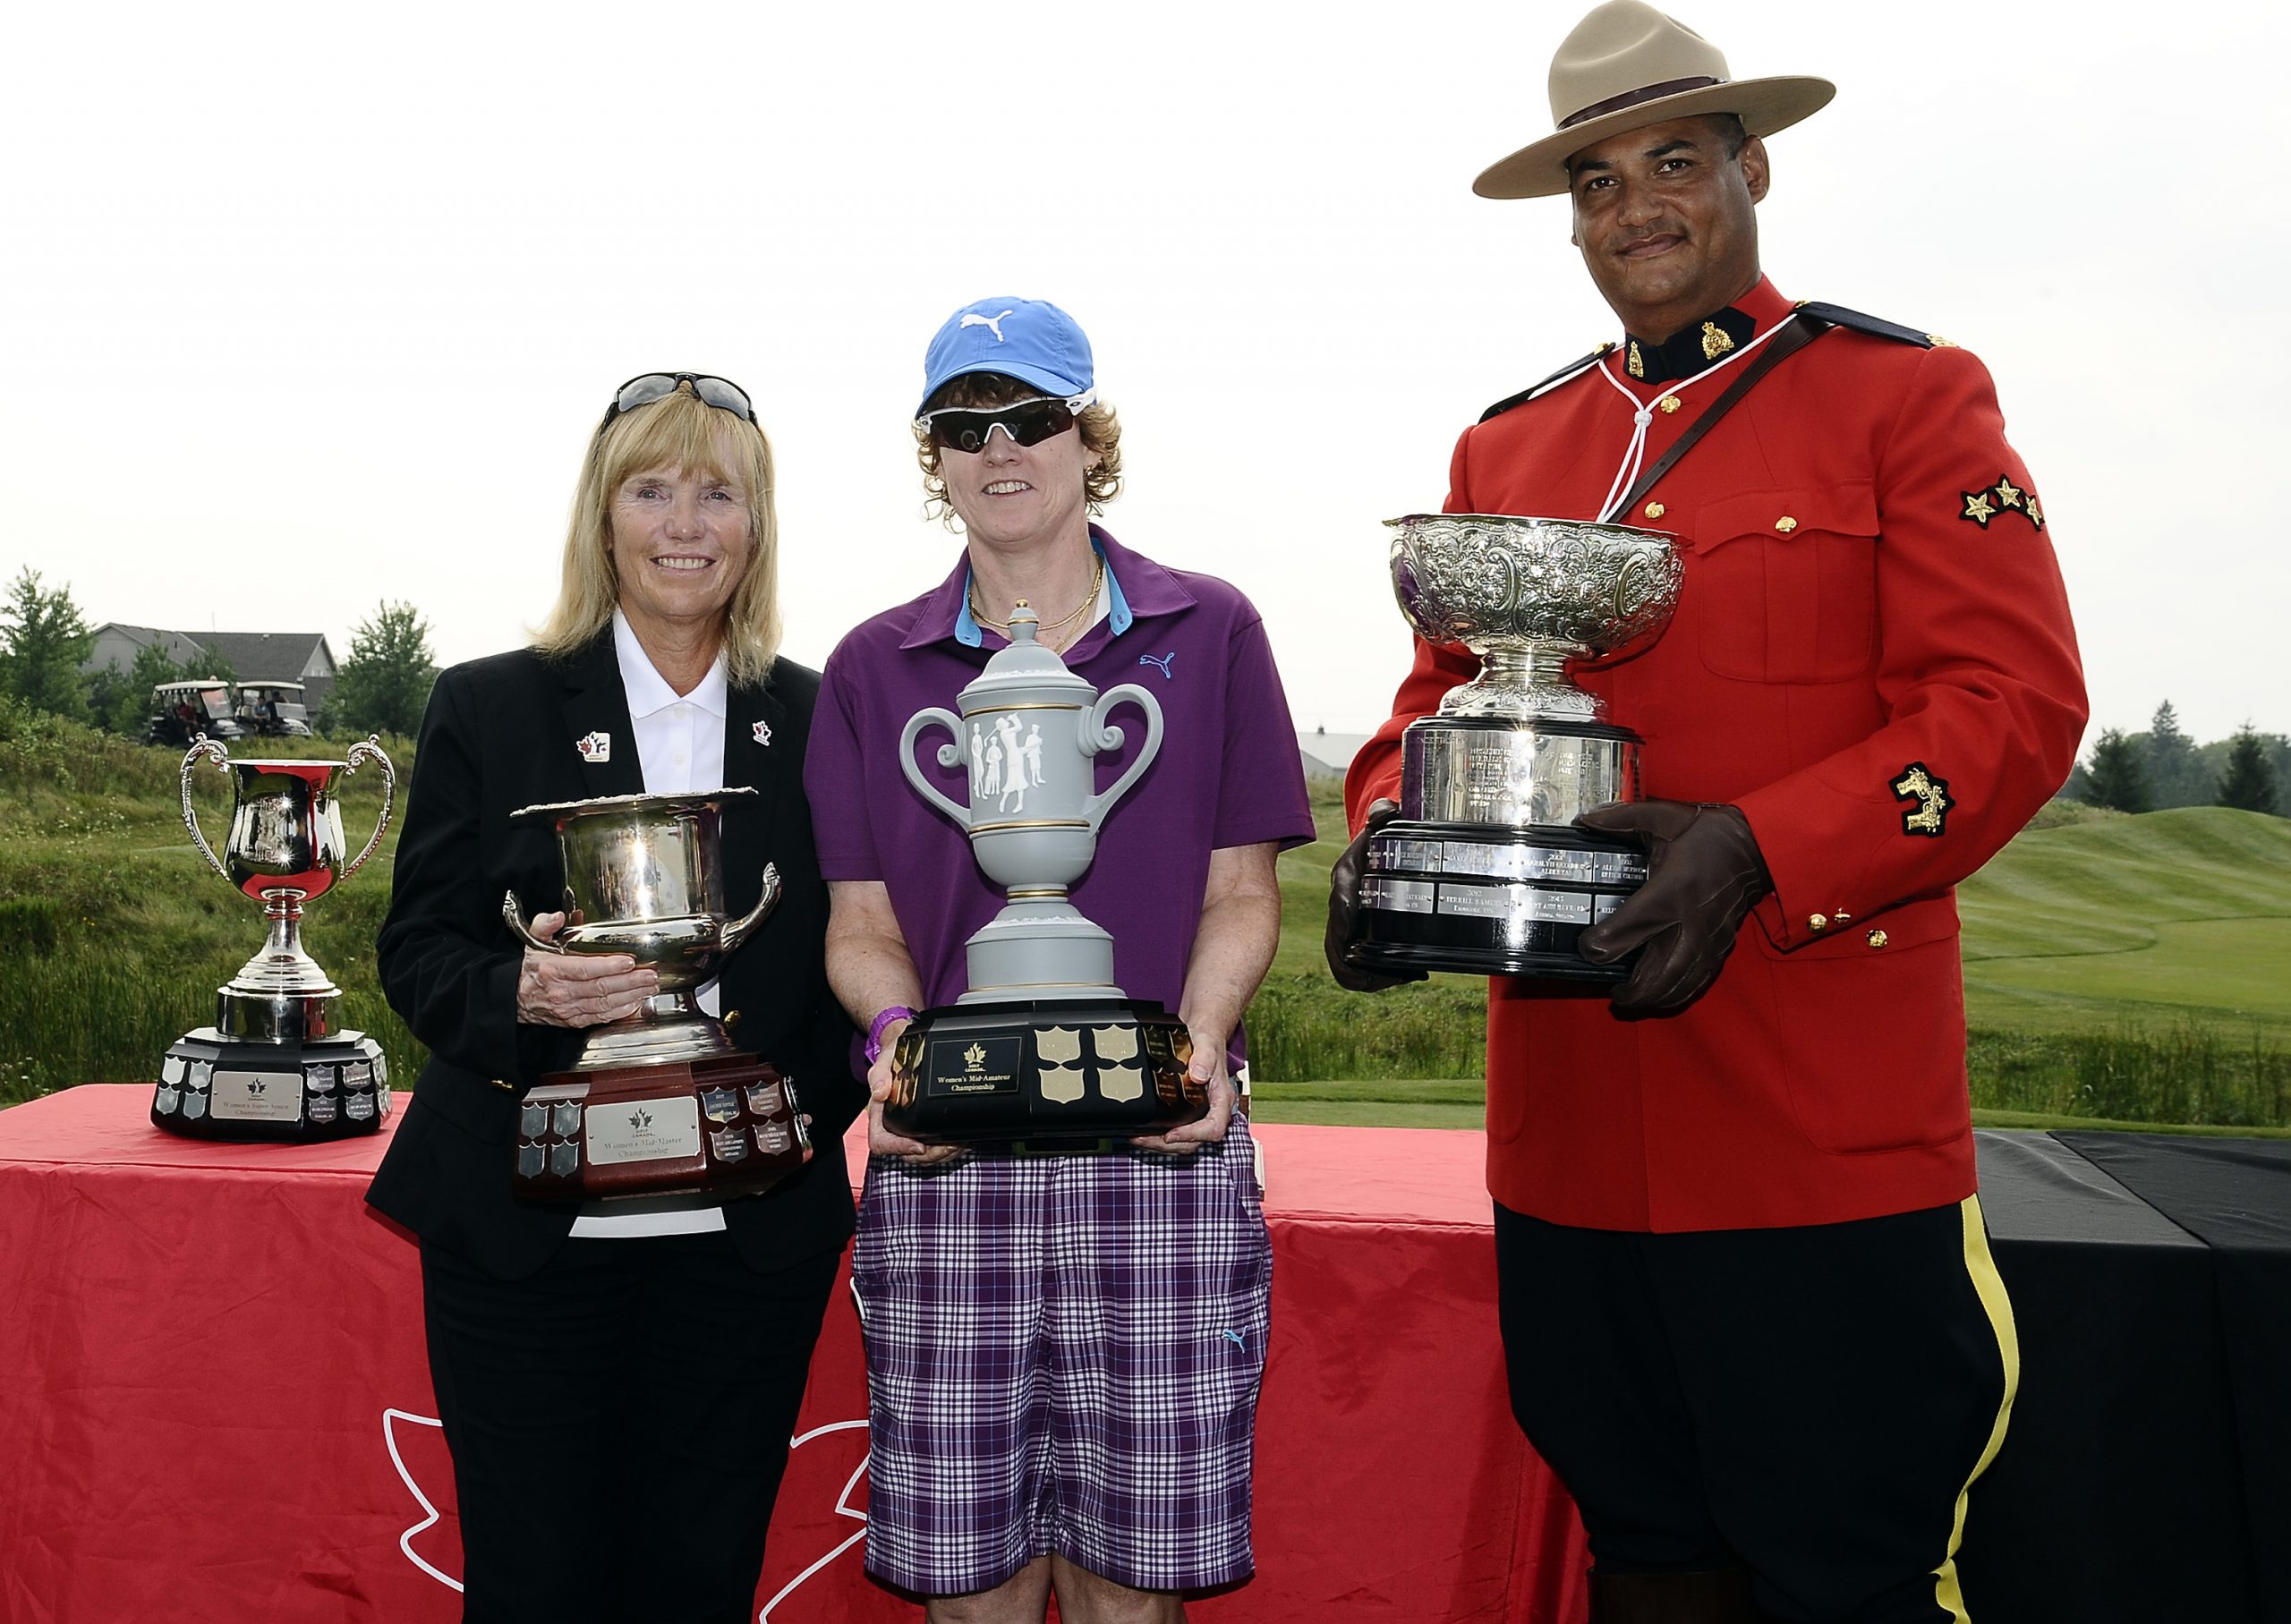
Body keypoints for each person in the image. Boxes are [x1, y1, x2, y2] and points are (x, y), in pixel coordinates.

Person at [1326, 5, 2088, 1621]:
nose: (1635, 208)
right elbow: (1423, 713)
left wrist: (1758, 850)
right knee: (1647, 1564)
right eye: (1595, 182)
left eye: (1674, 161)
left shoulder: (1905, 398)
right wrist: (1399, 841)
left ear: (1751, 167)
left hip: (1819, 1140)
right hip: (1575, 1145)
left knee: (1852, 1576)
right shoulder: (1510, 443)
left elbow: (2009, 710)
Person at [805, 298, 1314, 1622]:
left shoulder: (1210, 632)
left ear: (1089, 437)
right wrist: (892, 1052)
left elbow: (1243, 892)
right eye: (963, 428)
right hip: (951, 1156)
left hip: (1160, 1146)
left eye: (1029, 417)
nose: (999, 449)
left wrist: (1198, 1047)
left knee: (1127, 1594)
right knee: (968, 1593)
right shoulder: (872, 666)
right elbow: (860, 927)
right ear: (937, 460)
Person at [365, 372, 866, 1624]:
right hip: (525, 1245)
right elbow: (419, 952)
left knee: (697, 1587)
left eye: (719, 493)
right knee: (534, 1589)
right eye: (651, 489)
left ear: (758, 527)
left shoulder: (821, 719)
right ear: (603, 518)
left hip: (743, 1249)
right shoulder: (489, 702)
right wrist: (524, 990)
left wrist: (771, 1117)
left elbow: (866, 961)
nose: (683, 521)